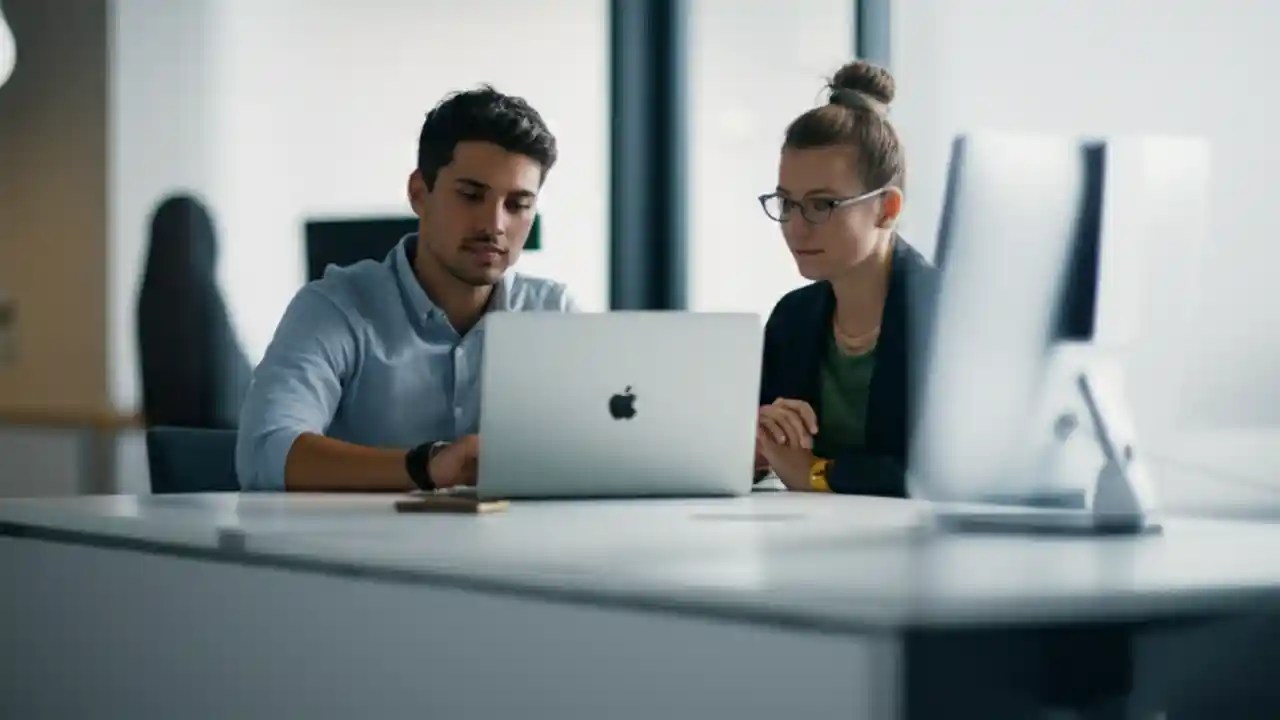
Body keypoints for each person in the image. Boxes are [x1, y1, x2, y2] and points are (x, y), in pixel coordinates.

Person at [236, 86, 576, 492]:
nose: (495, 225)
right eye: (471, 195)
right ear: (419, 193)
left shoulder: (553, 314)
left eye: (518, 205)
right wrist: (427, 467)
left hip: (515, 551)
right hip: (360, 553)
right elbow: (264, 455)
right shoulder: (334, 308)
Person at [754, 60, 939, 496]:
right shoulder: (793, 317)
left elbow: (947, 476)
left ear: (887, 209)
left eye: (822, 205)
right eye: (786, 203)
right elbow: (764, 453)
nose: (797, 228)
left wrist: (817, 474)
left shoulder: (948, 316)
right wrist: (757, 447)